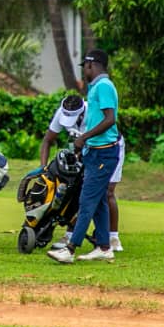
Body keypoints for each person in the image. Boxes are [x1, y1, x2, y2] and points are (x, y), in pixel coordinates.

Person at [48, 49, 121, 264]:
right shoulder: (97, 87)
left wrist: (84, 137)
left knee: (87, 201)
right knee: (98, 203)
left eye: (85, 67)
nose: (84, 72)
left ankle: (70, 249)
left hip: (104, 153)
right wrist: (84, 144)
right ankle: (104, 247)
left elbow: (110, 119)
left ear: (91, 65)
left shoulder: (104, 87)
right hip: (95, 152)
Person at [38, 92, 125, 252]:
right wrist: (43, 169)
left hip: (109, 149)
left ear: (82, 112)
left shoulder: (93, 114)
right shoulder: (62, 112)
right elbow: (48, 140)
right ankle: (70, 235)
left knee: (106, 192)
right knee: (77, 190)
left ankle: (113, 238)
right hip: (86, 151)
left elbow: (96, 140)